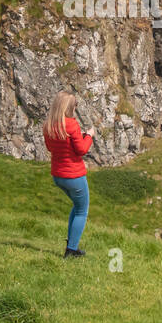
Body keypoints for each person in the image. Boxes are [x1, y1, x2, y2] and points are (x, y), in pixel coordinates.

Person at [43, 90, 95, 258]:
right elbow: (81, 150)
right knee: (82, 210)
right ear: (69, 107)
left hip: (58, 175)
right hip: (74, 176)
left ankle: (72, 246)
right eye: (75, 105)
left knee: (77, 206)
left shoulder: (49, 125)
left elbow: (51, 148)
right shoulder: (71, 125)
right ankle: (71, 250)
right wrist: (88, 136)